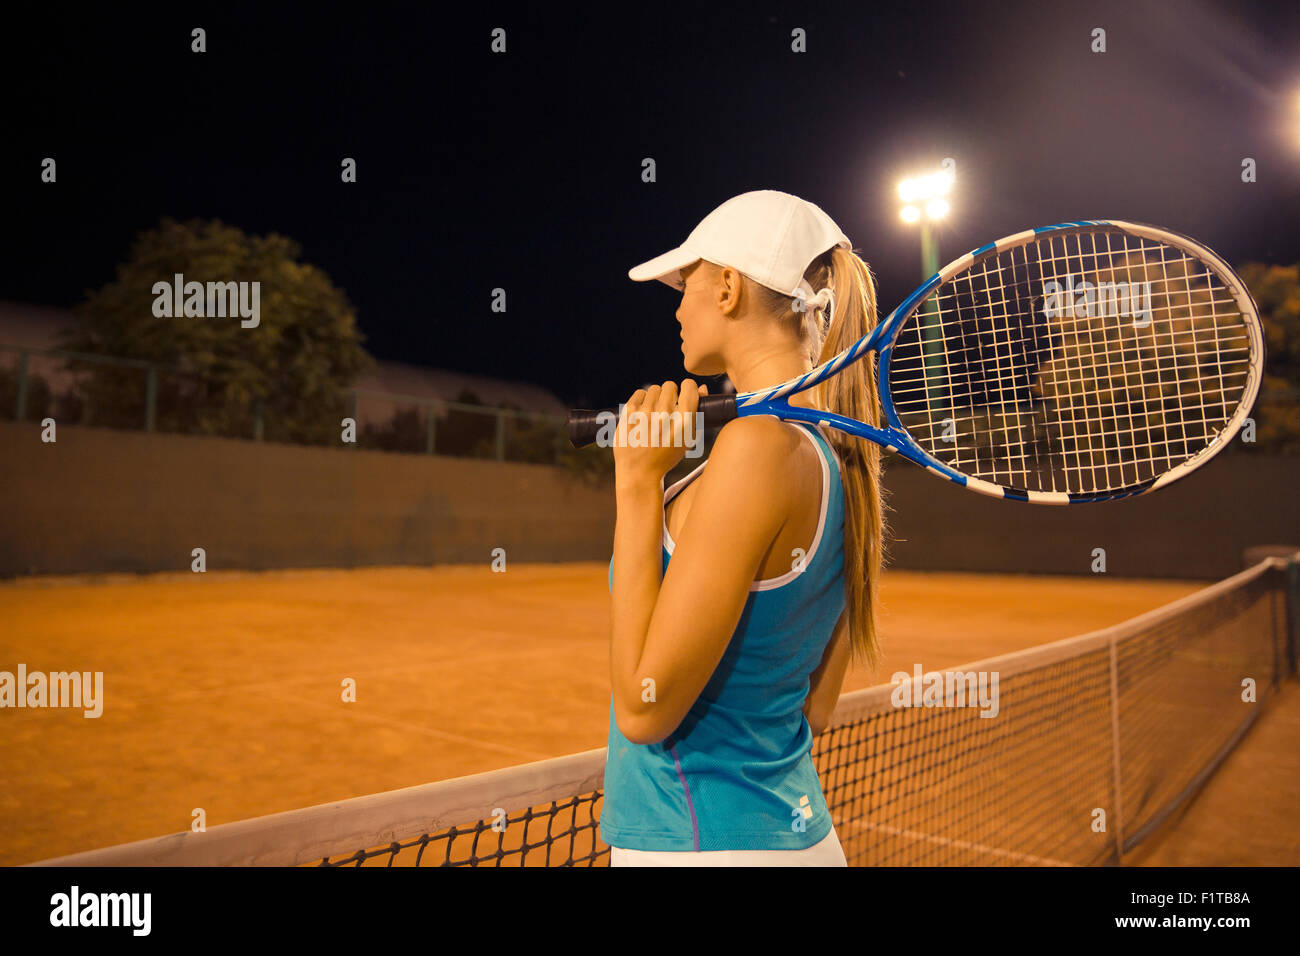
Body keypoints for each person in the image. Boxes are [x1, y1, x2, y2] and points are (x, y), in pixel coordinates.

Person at [602, 190, 887, 866]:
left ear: (727, 286)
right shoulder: (838, 455)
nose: (676, 307)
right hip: (790, 838)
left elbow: (644, 711)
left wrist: (639, 486)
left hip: (703, 844)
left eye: (686, 281)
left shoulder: (757, 449)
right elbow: (812, 712)